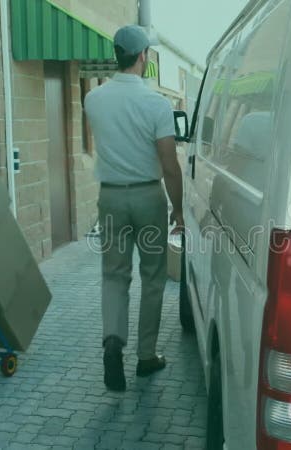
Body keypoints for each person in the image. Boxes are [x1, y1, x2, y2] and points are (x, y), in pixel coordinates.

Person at [84, 25, 184, 391]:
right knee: (153, 277)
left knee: (114, 275)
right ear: (143, 56)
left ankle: (113, 341)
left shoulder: (93, 99)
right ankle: (145, 356)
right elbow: (169, 163)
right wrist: (179, 209)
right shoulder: (156, 104)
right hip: (147, 196)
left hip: (109, 195)